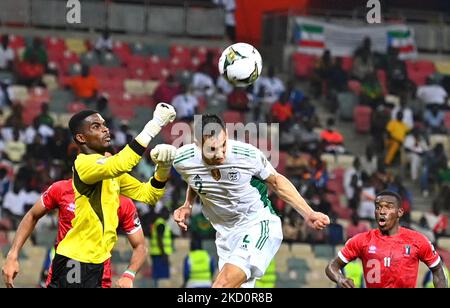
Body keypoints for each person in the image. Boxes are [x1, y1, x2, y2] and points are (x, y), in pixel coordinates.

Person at [173, 114, 330, 288]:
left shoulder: (247, 155)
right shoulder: (183, 159)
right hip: (226, 236)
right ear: (198, 145)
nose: (220, 154)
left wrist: (308, 213)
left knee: (221, 285)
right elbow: (195, 178)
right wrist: (187, 204)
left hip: (257, 224)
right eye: (212, 149)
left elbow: (276, 182)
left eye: (223, 145)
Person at [40, 104, 176, 288]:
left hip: (98, 263)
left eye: (104, 124)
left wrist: (163, 169)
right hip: (75, 260)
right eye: (96, 126)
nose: (105, 129)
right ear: (81, 137)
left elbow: (148, 195)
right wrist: (155, 124)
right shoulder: (84, 164)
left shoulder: (112, 172)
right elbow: (121, 163)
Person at [2, 178, 146, 288]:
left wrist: (129, 274)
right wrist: (12, 255)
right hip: (62, 273)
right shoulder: (62, 189)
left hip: (98, 277)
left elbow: (140, 246)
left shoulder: (122, 203)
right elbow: (32, 215)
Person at [326, 191, 448, 288]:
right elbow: (332, 266)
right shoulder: (361, 240)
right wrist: (340, 278)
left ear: (399, 212)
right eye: (378, 207)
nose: (382, 211)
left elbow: (438, 269)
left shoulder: (417, 240)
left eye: (388, 207)